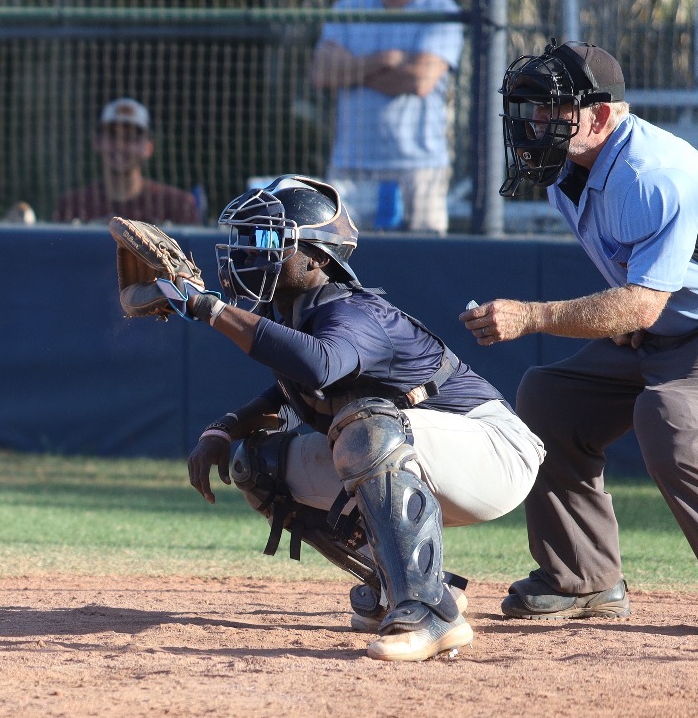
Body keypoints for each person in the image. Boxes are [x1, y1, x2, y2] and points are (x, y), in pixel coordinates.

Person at [171, 175, 542, 661]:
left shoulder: (355, 312)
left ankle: (430, 614)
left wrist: (210, 309)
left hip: (495, 452)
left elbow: (318, 364)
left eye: (268, 240)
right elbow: (291, 386)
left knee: (364, 427)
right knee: (257, 465)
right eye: (248, 238)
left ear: (318, 257)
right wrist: (224, 428)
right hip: (426, 450)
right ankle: (407, 584)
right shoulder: (302, 315)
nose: (249, 252)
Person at [461, 41, 698, 620]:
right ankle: (582, 577)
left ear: (600, 115)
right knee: (550, 399)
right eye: (532, 109)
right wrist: (629, 316)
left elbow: (641, 304)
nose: (536, 122)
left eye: (551, 109)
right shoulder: (569, 169)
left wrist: (532, 316)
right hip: (665, 324)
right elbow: (637, 294)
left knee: (666, 418)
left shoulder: (653, 172)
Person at [307, 0, 464, 234]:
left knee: (427, 267)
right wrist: (387, 58)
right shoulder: (347, 10)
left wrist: (352, 68)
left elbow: (419, 80)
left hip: (419, 169)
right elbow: (322, 73)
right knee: (337, 262)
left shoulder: (441, 9)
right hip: (351, 168)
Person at [45, 98, 200, 224]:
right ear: (97, 142)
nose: (120, 146)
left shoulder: (177, 205)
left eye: (130, 138)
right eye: (112, 136)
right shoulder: (73, 206)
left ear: (148, 147)